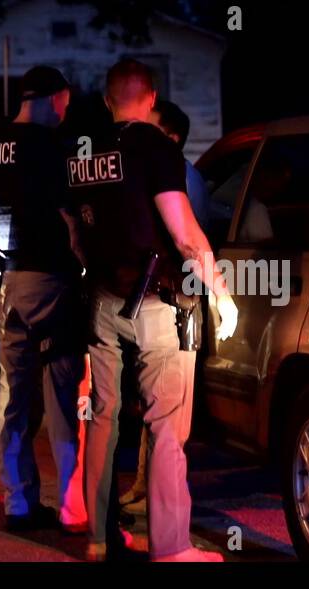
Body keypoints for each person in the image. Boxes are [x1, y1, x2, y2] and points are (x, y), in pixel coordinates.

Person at [68, 59, 238, 562]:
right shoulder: (157, 148)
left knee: (102, 416)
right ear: (151, 99)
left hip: (101, 300)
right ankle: (172, 548)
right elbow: (184, 233)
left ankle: (98, 537)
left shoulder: (83, 154)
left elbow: (74, 233)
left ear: (106, 100)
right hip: (157, 302)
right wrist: (221, 293)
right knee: (165, 424)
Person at [0, 65, 88, 532]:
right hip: (55, 283)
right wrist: (87, 268)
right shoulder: (50, 147)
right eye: (65, 101)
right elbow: (71, 223)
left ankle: (17, 504)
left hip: (12, 284)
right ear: (54, 97)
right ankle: (71, 505)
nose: (65, 110)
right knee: (63, 396)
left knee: (13, 394)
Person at [119, 99, 206, 516]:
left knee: (169, 415)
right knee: (156, 405)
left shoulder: (179, 174)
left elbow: (190, 240)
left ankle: (161, 507)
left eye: (148, 126)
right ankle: (144, 489)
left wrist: (219, 293)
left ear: (168, 135)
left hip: (175, 299)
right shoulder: (156, 167)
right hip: (154, 297)